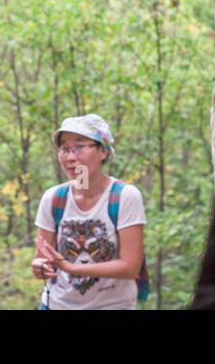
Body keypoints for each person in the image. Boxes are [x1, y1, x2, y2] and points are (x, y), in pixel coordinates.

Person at [31, 113, 147, 310]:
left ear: (103, 151)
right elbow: (41, 259)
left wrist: (72, 267)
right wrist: (40, 267)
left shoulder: (124, 197)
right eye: (64, 149)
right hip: (57, 304)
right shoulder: (53, 199)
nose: (70, 157)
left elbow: (130, 267)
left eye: (79, 147)